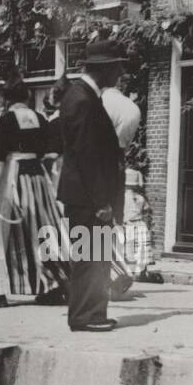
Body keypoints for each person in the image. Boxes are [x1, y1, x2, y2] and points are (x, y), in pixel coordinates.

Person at [57, 39, 127, 332]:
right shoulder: (84, 100)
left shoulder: (83, 95)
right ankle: (85, 316)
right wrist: (101, 202)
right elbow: (88, 156)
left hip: (85, 195)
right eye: (118, 68)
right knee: (90, 257)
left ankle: (93, 313)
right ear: (105, 69)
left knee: (95, 256)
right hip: (88, 198)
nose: (120, 74)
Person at [0, 78, 68, 308]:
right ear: (27, 98)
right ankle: (51, 286)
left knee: (0, 232)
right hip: (37, 178)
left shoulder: (5, 121)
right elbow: (50, 153)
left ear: (7, 98)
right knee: (43, 230)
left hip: (12, 177)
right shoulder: (40, 118)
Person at [102, 82, 142, 299]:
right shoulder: (132, 108)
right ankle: (116, 271)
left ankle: (112, 276)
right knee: (114, 219)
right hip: (118, 164)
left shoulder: (99, 104)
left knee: (93, 222)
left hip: (98, 162)